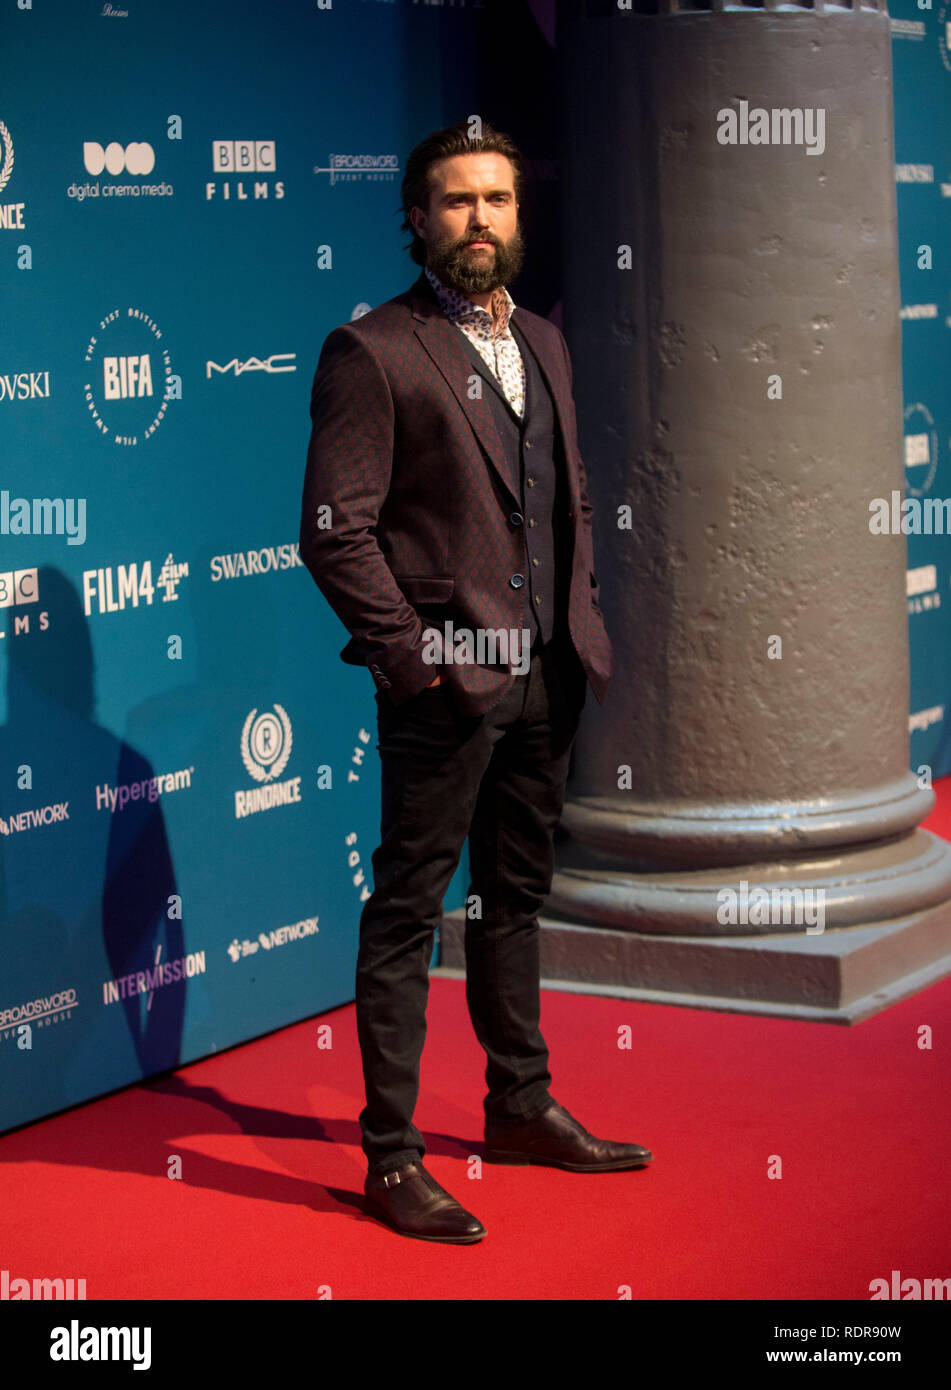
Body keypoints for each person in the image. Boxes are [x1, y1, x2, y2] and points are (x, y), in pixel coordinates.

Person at [300, 120, 652, 1244]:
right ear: (416, 217)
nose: (480, 220)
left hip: (549, 674)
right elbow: (333, 535)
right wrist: (420, 664)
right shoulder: (372, 351)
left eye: (497, 200)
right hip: (446, 692)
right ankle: (393, 1156)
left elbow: (572, 498)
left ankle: (518, 1103)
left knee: (514, 899)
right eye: (456, 202)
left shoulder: (545, 340)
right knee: (410, 910)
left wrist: (575, 625)